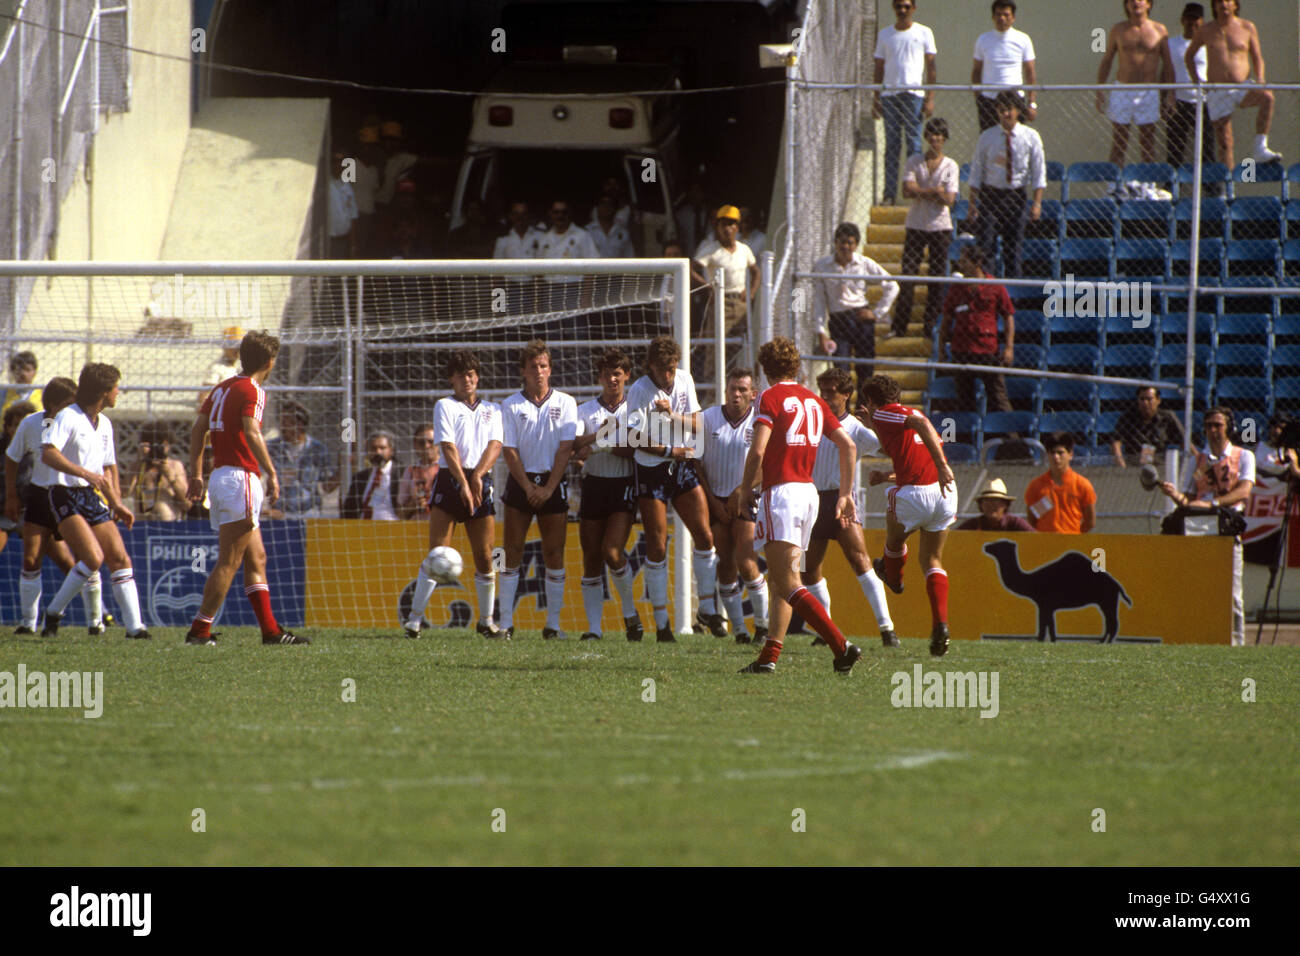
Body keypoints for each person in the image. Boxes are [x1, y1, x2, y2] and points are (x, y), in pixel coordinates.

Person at [733, 337, 864, 675]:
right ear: (797, 367)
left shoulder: (769, 397)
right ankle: (769, 656)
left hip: (782, 497)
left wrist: (746, 488)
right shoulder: (814, 400)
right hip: (809, 496)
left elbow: (758, 450)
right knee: (781, 581)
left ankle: (841, 646)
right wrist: (846, 494)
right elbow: (848, 445)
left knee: (788, 581)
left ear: (765, 369)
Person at [184, 332, 307, 646]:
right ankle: (199, 630)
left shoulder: (221, 387)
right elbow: (252, 432)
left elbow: (198, 429)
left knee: (257, 558)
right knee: (229, 561)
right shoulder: (253, 389)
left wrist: (197, 474)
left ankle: (270, 632)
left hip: (221, 477)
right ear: (270, 361)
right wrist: (273, 472)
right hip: (241, 478)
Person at [38, 364, 151, 640]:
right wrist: (85, 473)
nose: (118, 393)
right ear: (103, 392)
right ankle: (53, 613)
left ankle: (135, 629)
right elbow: (48, 454)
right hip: (63, 493)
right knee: (93, 558)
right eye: (116, 388)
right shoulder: (67, 416)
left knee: (120, 558)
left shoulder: (105, 424)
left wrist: (117, 503)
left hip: (91, 496)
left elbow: (107, 470)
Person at [625, 335, 720, 642]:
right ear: (651, 366)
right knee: (657, 543)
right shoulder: (640, 390)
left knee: (704, 534)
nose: (668, 374)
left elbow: (697, 423)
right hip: (652, 468)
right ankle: (662, 623)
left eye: (672, 367)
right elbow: (632, 438)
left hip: (681, 465)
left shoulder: (684, 379)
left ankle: (707, 608)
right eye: (663, 368)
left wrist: (672, 417)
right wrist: (668, 450)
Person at [404, 351, 504, 639]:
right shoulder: (444, 406)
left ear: (478, 377)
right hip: (450, 480)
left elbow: (495, 445)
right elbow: (447, 447)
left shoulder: (493, 410)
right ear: (452, 379)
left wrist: (476, 478)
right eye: (461, 375)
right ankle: (414, 620)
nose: (467, 379)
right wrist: (463, 482)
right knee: (437, 553)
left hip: (480, 479)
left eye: (472, 374)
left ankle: (486, 621)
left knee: (485, 555)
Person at [859, 373, 958, 657]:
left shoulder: (888, 414)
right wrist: (889, 475)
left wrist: (941, 465)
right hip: (945, 493)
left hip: (918, 492)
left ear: (871, 401)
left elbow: (919, 424)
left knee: (893, 543)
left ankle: (894, 576)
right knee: (931, 559)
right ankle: (941, 624)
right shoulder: (905, 416)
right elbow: (914, 462)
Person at [802, 368, 897, 648]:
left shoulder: (856, 428)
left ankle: (887, 629)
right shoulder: (810, 421)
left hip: (841, 500)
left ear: (847, 395)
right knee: (807, 569)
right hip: (811, 500)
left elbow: (891, 450)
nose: (826, 397)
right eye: (823, 391)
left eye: (832, 392)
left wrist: (875, 426)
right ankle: (826, 629)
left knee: (860, 561)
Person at [5, 379, 106, 635]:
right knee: (31, 559)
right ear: (51, 404)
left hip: (71, 495)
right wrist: (12, 496)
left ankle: (96, 620)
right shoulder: (31, 423)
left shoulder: (80, 421)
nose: (71, 409)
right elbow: (12, 458)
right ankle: (28, 623)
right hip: (40, 497)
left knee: (83, 558)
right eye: (66, 404)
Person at [497, 341, 577, 640]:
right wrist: (529, 486)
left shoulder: (566, 402)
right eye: (534, 367)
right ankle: (505, 623)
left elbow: (566, 448)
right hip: (521, 483)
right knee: (510, 552)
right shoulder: (510, 404)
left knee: (554, 552)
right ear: (523, 371)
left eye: (544, 366)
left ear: (550, 369)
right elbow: (509, 450)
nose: (540, 372)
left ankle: (553, 626)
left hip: (553, 483)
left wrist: (549, 487)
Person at [1158, 405, 1255, 644]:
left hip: (1226, 526)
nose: (1213, 431)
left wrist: (1214, 504)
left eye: (1218, 425)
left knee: (1232, 594)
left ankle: (1236, 643)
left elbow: (1244, 490)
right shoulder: (1197, 460)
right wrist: (1174, 495)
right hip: (1199, 528)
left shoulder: (1243, 456)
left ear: (1229, 428)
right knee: (1197, 587)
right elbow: (1189, 499)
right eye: (1209, 426)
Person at [572, 347, 646, 642]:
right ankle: (593, 629)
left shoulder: (636, 409)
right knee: (591, 558)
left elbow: (634, 448)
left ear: (627, 376)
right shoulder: (585, 410)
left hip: (623, 485)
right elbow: (575, 444)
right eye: (607, 373)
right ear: (599, 377)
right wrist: (599, 436)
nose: (612, 378)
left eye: (617, 373)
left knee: (611, 552)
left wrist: (601, 443)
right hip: (593, 485)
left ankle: (630, 616)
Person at [695, 367, 770, 644]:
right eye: (732, 389)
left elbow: (768, 463)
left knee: (747, 560)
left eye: (742, 390)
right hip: (716, 500)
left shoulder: (761, 422)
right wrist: (712, 500)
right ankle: (739, 630)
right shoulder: (709, 418)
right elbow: (695, 463)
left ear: (753, 394)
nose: (736, 394)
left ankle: (762, 627)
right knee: (724, 563)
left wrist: (743, 490)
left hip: (747, 499)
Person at [1185, 0, 1281, 167]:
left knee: (1267, 97)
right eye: (1219, 1)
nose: (1224, 4)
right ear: (1214, 6)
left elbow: (1257, 57)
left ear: (1235, 5)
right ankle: (1227, 188)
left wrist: (1260, 78)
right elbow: (1189, 56)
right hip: (1218, 89)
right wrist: (1198, 82)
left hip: (1242, 86)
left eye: (1228, 1)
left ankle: (1260, 147)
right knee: (1225, 142)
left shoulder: (1247, 27)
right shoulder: (1206, 30)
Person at [1097, 0, 1174, 199]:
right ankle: (1113, 186)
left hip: (1148, 91)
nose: (1135, 3)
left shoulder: (1159, 29)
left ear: (1148, 4)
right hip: (1122, 89)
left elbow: (1168, 63)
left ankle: (1148, 185)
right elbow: (1107, 60)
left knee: (1148, 140)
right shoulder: (1118, 29)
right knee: (1119, 140)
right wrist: (1100, 89)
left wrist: (1171, 94)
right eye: (1131, 0)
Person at [968, 91, 1046, 279]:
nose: (1005, 115)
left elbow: (1038, 171)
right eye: (1001, 110)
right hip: (991, 197)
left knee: (1013, 249)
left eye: (1008, 110)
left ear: (1018, 111)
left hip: (1015, 196)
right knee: (986, 248)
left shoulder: (1030, 136)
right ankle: (988, 295)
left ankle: (1013, 299)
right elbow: (977, 171)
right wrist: (972, 204)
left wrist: (1037, 203)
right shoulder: (987, 137)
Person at [894, 118, 958, 340]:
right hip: (916, 225)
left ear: (944, 138)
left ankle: (930, 325)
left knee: (936, 277)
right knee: (908, 275)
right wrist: (934, 191)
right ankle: (899, 326)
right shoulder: (914, 161)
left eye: (939, 135)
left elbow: (949, 197)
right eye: (931, 134)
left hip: (940, 227)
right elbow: (906, 190)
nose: (935, 139)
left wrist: (921, 190)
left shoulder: (950, 166)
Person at [873, 0, 938, 206]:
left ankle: (916, 192)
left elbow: (931, 67)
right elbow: (879, 67)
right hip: (890, 95)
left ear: (914, 8)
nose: (903, 10)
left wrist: (930, 97)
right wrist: (876, 97)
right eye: (899, 6)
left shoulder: (924, 32)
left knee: (914, 145)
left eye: (907, 6)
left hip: (914, 95)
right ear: (894, 8)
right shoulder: (885, 34)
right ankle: (890, 194)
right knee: (892, 145)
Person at [812, 222, 898, 377]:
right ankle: (843, 402)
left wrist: (877, 313)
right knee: (841, 372)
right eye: (842, 242)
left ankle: (864, 402)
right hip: (838, 320)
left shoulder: (864, 263)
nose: (845, 246)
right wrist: (820, 331)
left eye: (850, 243)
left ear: (856, 244)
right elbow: (818, 300)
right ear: (835, 243)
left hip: (861, 319)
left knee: (865, 369)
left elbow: (892, 285)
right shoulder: (822, 266)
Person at [939, 244, 1014, 413]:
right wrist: (942, 350)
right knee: (964, 401)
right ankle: (966, 438)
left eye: (965, 261)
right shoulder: (957, 288)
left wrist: (1009, 347)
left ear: (977, 262)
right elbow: (946, 320)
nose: (961, 264)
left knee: (998, 398)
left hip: (987, 350)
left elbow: (1008, 316)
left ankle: (1011, 437)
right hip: (962, 350)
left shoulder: (994, 286)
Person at [690, 205, 759, 376]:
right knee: (716, 347)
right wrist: (708, 287)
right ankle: (712, 387)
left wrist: (750, 293)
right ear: (717, 227)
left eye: (732, 224)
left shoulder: (744, 249)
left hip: (741, 303)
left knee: (741, 344)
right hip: (721, 302)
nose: (728, 229)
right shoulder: (711, 249)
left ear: (737, 227)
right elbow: (691, 269)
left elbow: (756, 271)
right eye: (723, 224)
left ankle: (736, 380)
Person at [1165, 4, 1217, 175]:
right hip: (1178, 103)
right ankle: (1171, 189)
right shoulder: (1171, 44)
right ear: (1182, 20)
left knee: (1207, 149)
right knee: (1174, 150)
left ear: (1202, 22)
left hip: (1204, 103)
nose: (1192, 23)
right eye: (1188, 19)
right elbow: (1165, 71)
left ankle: (1211, 190)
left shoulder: (1208, 45)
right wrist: (1166, 97)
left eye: (1196, 19)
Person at [971, 0, 1038, 132]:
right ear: (993, 17)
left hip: (1015, 99)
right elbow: (976, 71)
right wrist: (978, 98)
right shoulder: (983, 40)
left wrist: (1032, 103)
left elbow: (1030, 72)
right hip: (989, 100)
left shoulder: (1023, 39)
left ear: (1013, 18)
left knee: (1017, 140)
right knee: (989, 139)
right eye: (998, 14)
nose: (1002, 18)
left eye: (1006, 15)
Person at [266, 400, 338, 518]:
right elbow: (260, 480)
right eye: (281, 421)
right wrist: (265, 508)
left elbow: (327, 487)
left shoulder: (317, 450)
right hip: (280, 514)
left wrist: (344, 468)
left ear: (300, 424)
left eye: (286, 422)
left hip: (309, 513)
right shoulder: (271, 448)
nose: (282, 427)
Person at [1024, 432, 1097, 533]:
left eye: (1060, 452)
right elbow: (1032, 519)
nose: (1056, 457)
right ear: (1047, 455)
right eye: (1052, 452)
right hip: (1044, 543)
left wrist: (1074, 535)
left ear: (1070, 454)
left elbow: (1090, 521)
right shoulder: (1036, 485)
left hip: (1071, 544)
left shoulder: (1082, 484)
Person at [126, 423, 190, 521]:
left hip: (169, 525)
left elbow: (187, 504)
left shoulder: (175, 466)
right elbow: (124, 494)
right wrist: (139, 462)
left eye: (161, 444)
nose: (156, 448)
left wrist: (171, 478)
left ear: (168, 444)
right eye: (152, 444)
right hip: (142, 526)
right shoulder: (137, 466)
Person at [1109, 385, 1185, 466]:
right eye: (1142, 399)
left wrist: (1197, 460)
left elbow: (1185, 442)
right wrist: (1122, 467)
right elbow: (1116, 443)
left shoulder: (1167, 417)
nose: (1145, 403)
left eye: (1149, 399)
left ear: (1158, 400)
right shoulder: (1128, 418)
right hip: (1134, 466)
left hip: (1159, 465)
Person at [0, 400, 35, 550]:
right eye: (17, 425)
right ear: (8, 428)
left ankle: (82, 573)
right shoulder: (2, 450)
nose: (22, 430)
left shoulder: (43, 450)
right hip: (2, 512)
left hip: (31, 513)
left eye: (26, 425)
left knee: (61, 557)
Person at [341, 431, 399, 520]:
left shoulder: (401, 475)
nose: (378, 452)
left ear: (391, 450)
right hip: (363, 528)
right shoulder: (360, 478)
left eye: (382, 448)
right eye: (373, 448)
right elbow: (348, 510)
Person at [397, 423, 440, 521]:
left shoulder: (446, 468)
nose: (426, 446)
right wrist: (413, 505)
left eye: (431, 441)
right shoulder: (410, 471)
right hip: (416, 527)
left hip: (441, 526)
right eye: (421, 442)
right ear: (415, 445)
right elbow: (400, 511)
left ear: (438, 442)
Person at [957, 477, 1035, 530]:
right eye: (987, 501)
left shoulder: (1015, 524)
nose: (991, 505)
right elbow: (952, 538)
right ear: (981, 505)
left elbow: (1035, 539)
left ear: (1005, 504)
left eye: (995, 501)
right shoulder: (973, 525)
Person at [198, 326, 244, 409]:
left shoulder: (240, 366)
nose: (236, 350)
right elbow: (204, 395)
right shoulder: (217, 367)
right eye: (232, 346)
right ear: (224, 347)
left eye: (239, 346)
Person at [375, 120, 418, 208]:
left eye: (394, 140)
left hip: (388, 206)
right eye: (387, 139)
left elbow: (428, 162)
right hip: (370, 205)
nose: (390, 143)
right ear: (381, 141)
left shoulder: (403, 159)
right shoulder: (372, 158)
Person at [328, 150, 359, 259]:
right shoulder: (325, 185)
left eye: (341, 162)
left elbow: (353, 217)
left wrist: (353, 245)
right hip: (328, 240)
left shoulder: (347, 186)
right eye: (335, 162)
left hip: (343, 240)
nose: (338, 165)